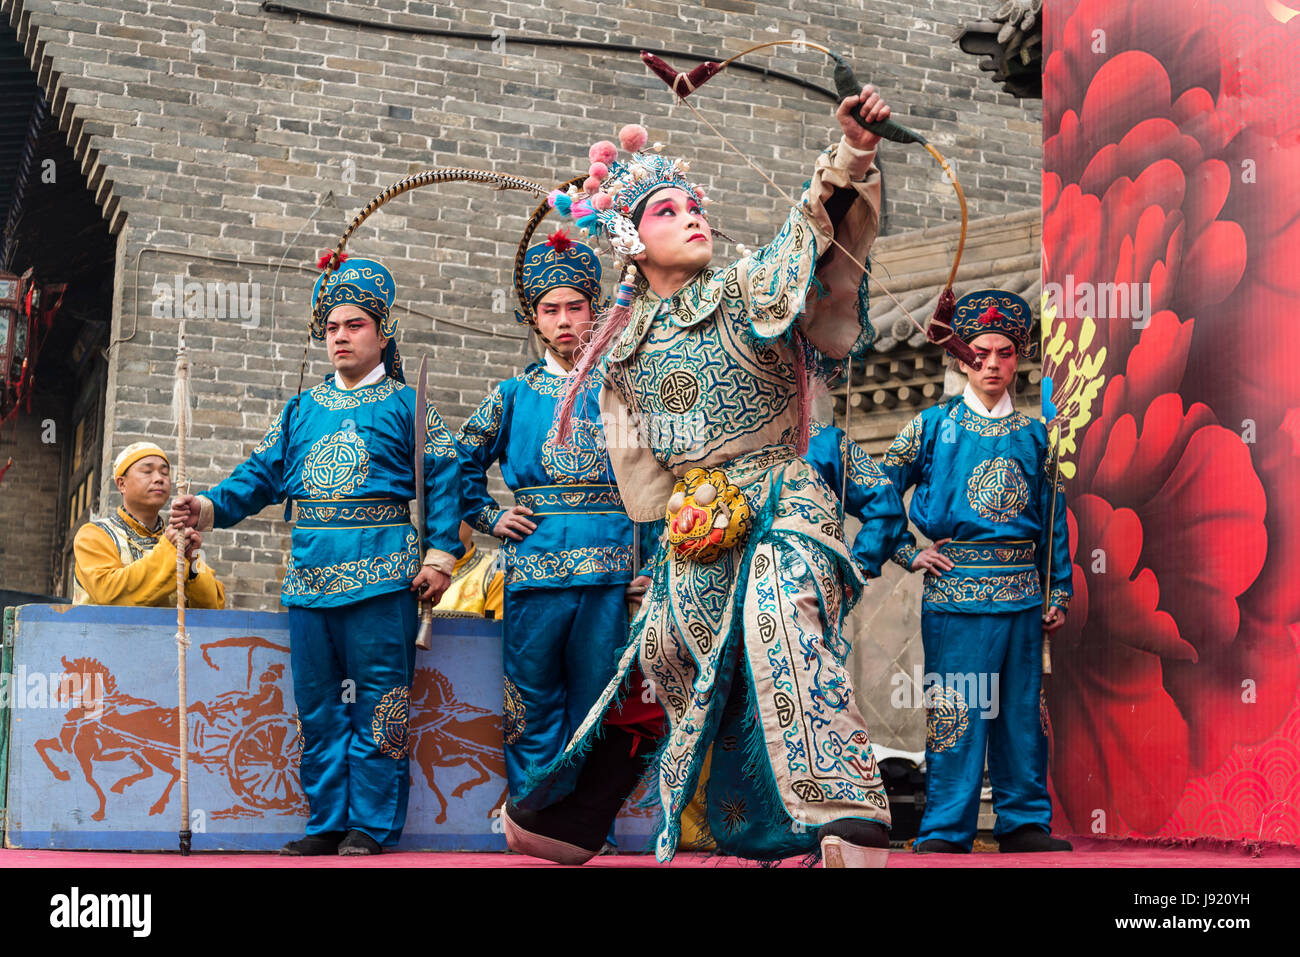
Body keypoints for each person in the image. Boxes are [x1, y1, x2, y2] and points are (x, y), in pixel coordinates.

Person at [504, 85, 900, 867]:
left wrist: (851, 152)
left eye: (694, 203)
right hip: (696, 520)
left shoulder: (745, 287)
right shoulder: (620, 348)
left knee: (782, 624)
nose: (692, 215)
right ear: (631, 243)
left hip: (781, 497)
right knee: (667, 655)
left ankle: (847, 813)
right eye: (666, 210)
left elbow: (806, 240)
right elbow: (638, 472)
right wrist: (667, 534)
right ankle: (569, 813)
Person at [169, 256, 462, 857]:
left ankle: (373, 826)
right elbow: (256, 478)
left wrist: (439, 556)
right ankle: (326, 821)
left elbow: (446, 481)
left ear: (383, 334)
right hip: (309, 580)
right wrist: (204, 507)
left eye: (354, 325)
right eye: (331, 328)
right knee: (317, 709)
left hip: (385, 577)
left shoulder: (411, 406)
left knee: (383, 706)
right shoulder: (300, 412)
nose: (341, 337)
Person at [456, 228, 649, 805]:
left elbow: (666, 477)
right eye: (550, 309)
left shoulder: (626, 389)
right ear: (534, 319)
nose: (564, 319)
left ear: (596, 311)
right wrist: (488, 515)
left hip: (612, 572)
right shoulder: (514, 394)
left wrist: (659, 564)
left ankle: (589, 824)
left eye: (575, 306)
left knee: (600, 705)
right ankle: (535, 814)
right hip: (535, 569)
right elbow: (457, 460)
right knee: (530, 700)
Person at [876, 288, 1072, 854]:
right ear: (962, 357)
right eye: (980, 353)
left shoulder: (1036, 436)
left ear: (1019, 357)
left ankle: (1025, 822)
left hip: (1021, 597)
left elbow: (1053, 521)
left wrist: (1057, 589)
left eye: (1005, 353)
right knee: (956, 713)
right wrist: (906, 552)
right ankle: (945, 827)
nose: (992, 364)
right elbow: (879, 490)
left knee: (1020, 716)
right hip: (954, 595)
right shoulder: (932, 428)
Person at [678, 417, 909, 850]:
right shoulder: (721, 443)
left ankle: (831, 816)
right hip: (726, 595)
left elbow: (884, 503)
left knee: (808, 692)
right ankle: (742, 826)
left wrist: (851, 567)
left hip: (799, 595)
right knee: (731, 703)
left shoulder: (825, 441)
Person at [73, 442, 225, 608]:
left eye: (165, 473)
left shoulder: (179, 538)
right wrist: (168, 549)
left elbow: (214, 606)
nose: (159, 479)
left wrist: (192, 559)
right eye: (147, 471)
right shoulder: (93, 535)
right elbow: (110, 594)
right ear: (121, 484)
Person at [433, 521, 503, 618]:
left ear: (471, 520)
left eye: (455, 513)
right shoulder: (416, 571)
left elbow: (495, 629)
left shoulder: (495, 571)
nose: (446, 522)